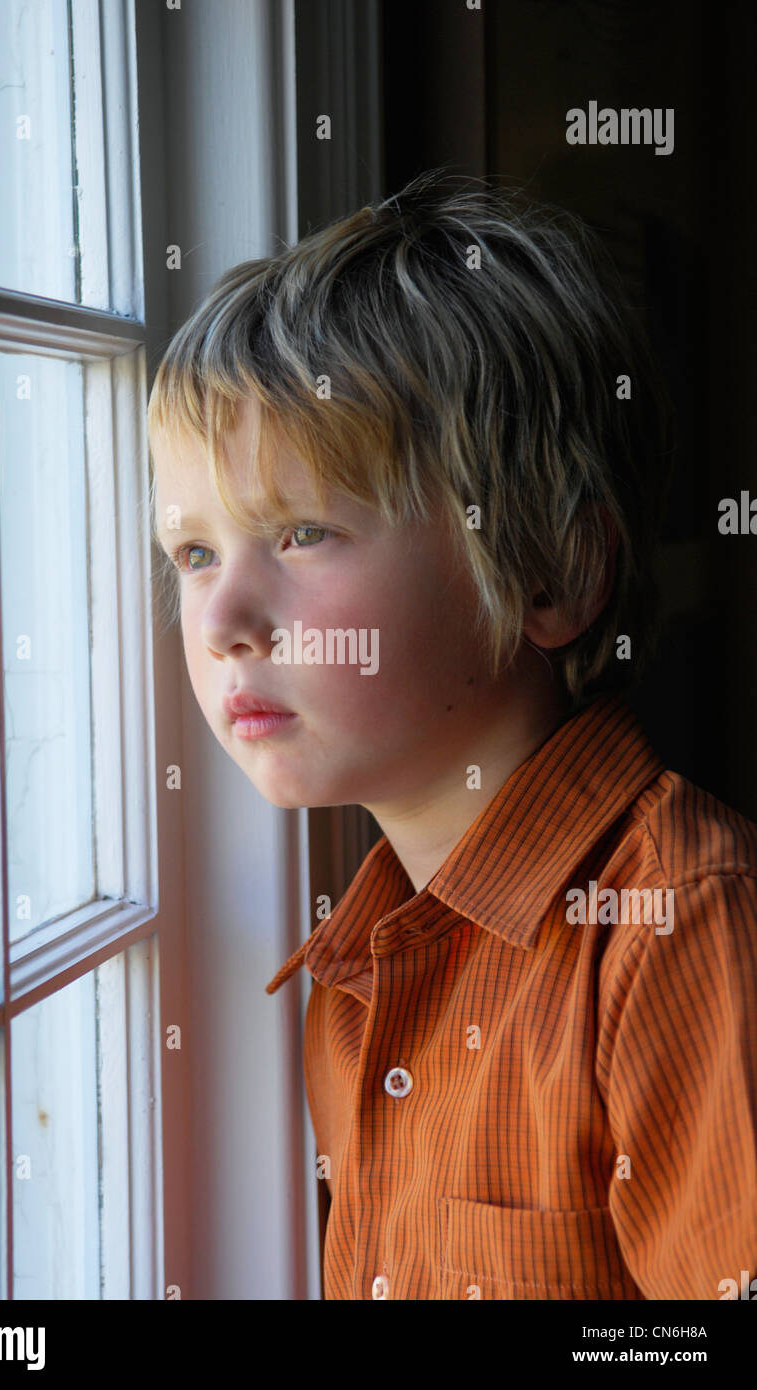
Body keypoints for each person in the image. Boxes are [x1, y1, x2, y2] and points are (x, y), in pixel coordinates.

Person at [147, 170, 757, 1300]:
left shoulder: (678, 930)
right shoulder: (357, 973)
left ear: (551, 571)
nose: (222, 621)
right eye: (192, 553)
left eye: (303, 531)